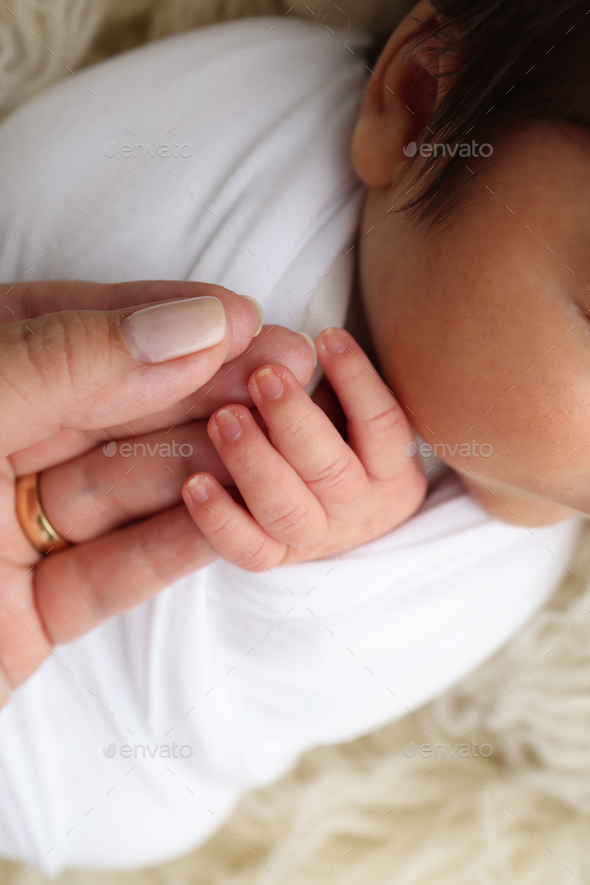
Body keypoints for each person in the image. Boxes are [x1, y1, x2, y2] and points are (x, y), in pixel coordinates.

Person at [0, 0, 585, 874]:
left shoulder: (492, 568)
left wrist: (321, 559)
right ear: (420, 103)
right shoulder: (243, 147)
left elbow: (265, 701)